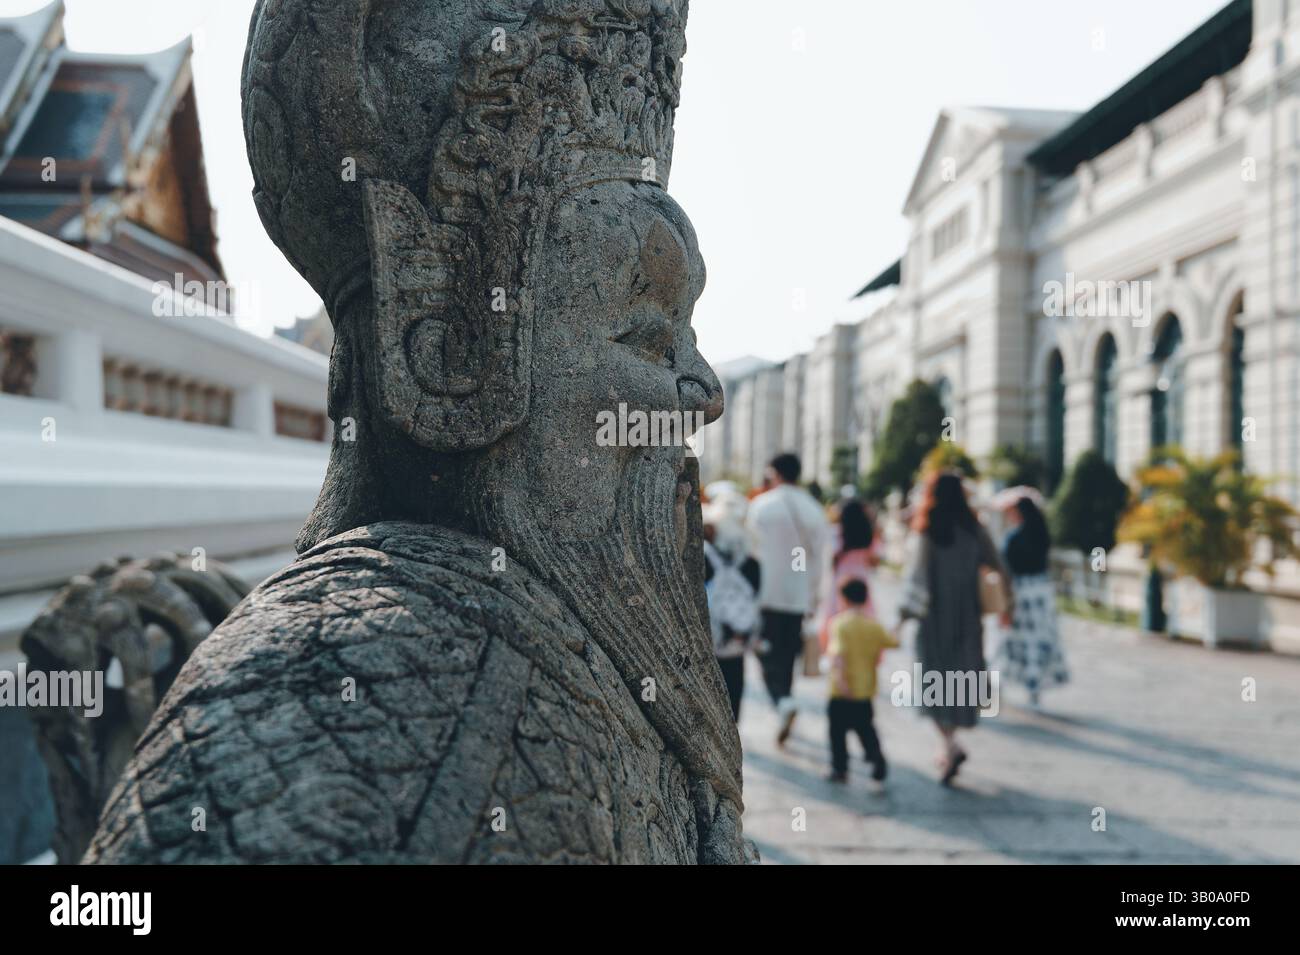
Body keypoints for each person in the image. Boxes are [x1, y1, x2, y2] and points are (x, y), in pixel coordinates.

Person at [899, 471, 1009, 785]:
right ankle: (949, 743)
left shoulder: (927, 530)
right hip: (967, 616)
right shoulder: (975, 528)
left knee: (932, 679)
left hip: (933, 618)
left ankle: (947, 744)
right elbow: (997, 564)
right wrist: (1005, 604)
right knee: (962, 678)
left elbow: (916, 578)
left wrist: (903, 614)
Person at [746, 452, 830, 745]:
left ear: (775, 473)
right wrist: (814, 597)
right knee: (787, 654)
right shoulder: (815, 509)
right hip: (798, 596)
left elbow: (750, 551)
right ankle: (786, 700)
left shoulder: (761, 505)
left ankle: (782, 701)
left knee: (765, 651)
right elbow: (820, 560)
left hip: (766, 594)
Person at [994, 495, 1068, 706]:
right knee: (1039, 640)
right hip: (1042, 592)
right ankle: (1035, 688)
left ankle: (999, 683)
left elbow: (1004, 567)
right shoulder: (1042, 534)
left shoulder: (1013, 537)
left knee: (1009, 640)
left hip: (1019, 592)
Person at [826, 578, 897, 784]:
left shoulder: (839, 624)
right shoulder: (873, 626)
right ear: (866, 599)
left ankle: (840, 769)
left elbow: (838, 655)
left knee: (837, 733)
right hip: (865, 690)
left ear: (843, 599)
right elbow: (893, 641)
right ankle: (876, 758)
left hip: (840, 692)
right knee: (866, 729)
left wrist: (841, 680)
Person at [702, 512, 761, 722]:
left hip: (710, 641)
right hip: (738, 643)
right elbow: (756, 597)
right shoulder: (752, 564)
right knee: (733, 700)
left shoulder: (702, 558)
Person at [815, 498, 880, 651]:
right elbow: (874, 561)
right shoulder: (869, 535)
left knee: (836, 614)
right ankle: (861, 648)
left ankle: (836, 649)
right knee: (862, 613)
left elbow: (832, 558)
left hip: (842, 578)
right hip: (861, 578)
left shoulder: (837, 533)